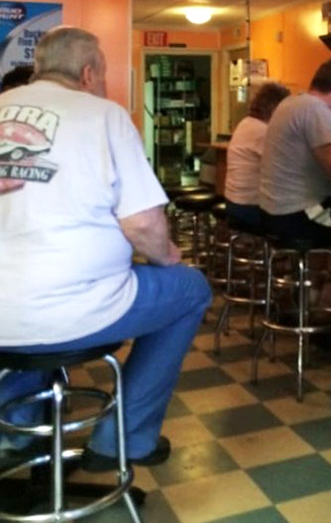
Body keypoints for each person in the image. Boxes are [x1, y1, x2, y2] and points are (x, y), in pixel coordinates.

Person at [0, 26, 212, 468]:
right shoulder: (105, 116)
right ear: (89, 72)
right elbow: (143, 224)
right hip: (76, 310)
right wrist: (169, 258)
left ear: (38, 68)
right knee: (190, 289)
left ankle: (16, 429)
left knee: (22, 310)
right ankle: (123, 439)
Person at [259, 57, 331, 247]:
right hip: (296, 217)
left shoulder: (290, 103)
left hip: (271, 212)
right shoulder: (315, 109)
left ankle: (323, 274)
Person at [224, 81, 290, 230]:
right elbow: (287, 164)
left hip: (234, 204)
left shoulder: (246, 123)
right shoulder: (263, 131)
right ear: (275, 108)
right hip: (250, 208)